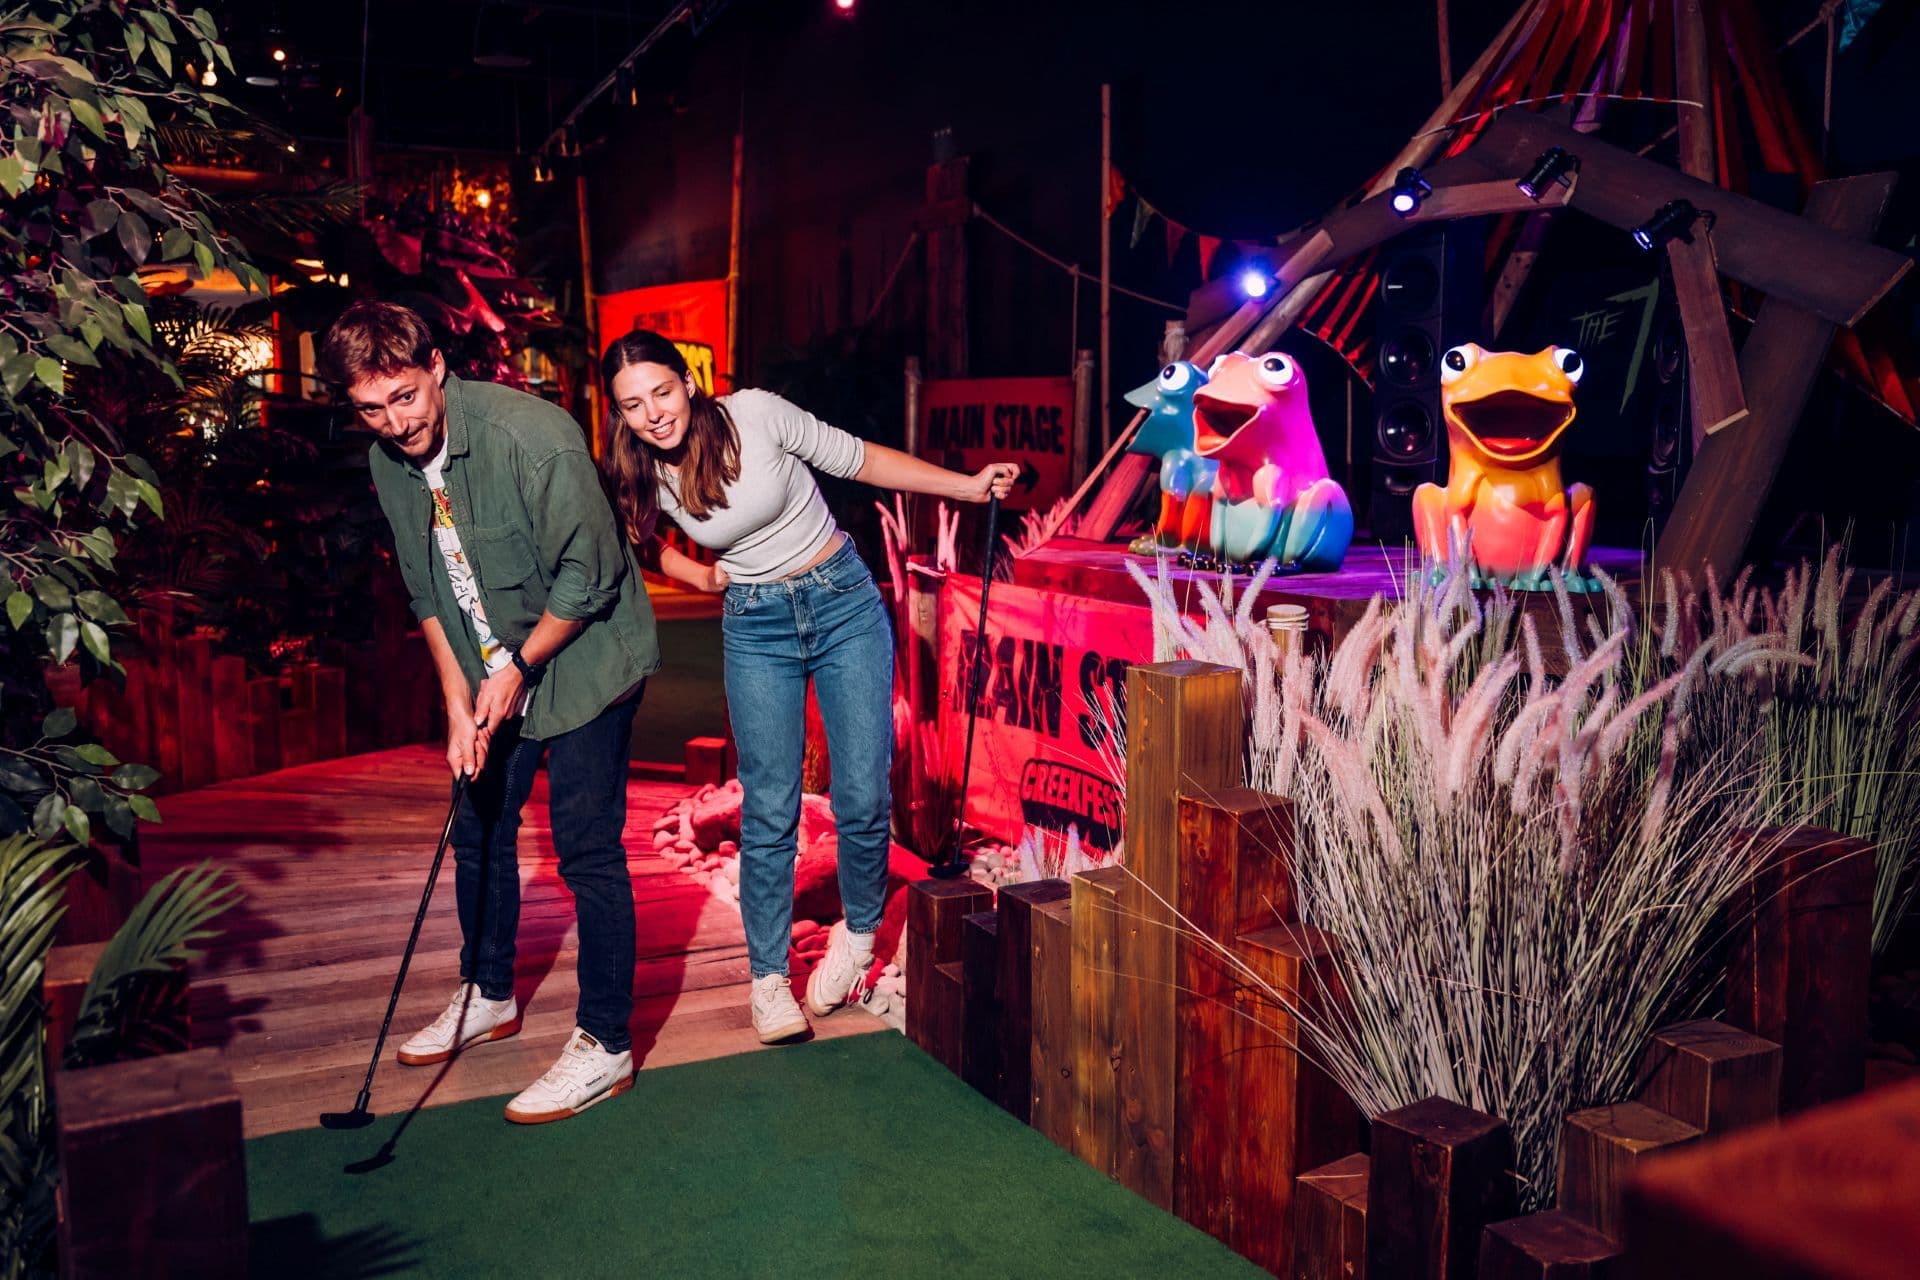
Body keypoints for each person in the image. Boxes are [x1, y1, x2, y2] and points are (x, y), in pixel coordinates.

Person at [599, 330, 1015, 1043]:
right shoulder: (638, 467)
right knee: (770, 806)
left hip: (842, 602)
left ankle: (855, 937)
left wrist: (968, 485)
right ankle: (767, 980)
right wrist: (698, 574)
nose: (652, 414)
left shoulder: (755, 415)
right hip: (756, 625)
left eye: (661, 392)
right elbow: (634, 537)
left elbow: (862, 460)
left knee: (862, 791)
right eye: (632, 406)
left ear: (688, 383)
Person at [320, 301, 660, 1124]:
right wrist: (455, 703)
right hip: (490, 663)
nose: (393, 422)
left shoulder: (531, 435)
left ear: (436, 367)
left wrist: (514, 671)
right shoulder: (387, 461)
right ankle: (489, 994)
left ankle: (606, 1042)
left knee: (586, 852)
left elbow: (593, 572)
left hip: (585, 660)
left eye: (404, 396)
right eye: (370, 407)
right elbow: (426, 591)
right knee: (478, 830)